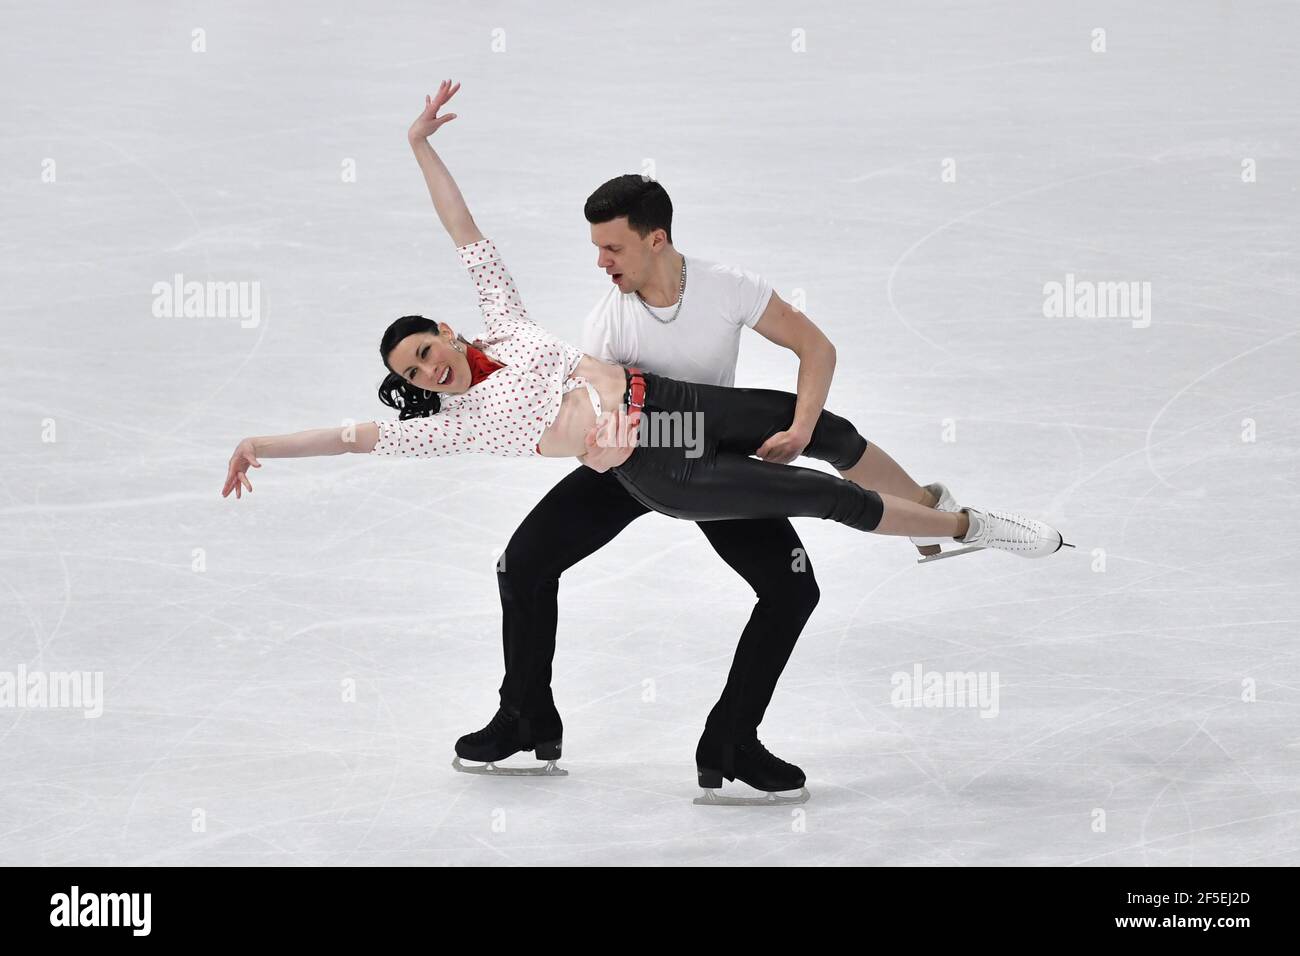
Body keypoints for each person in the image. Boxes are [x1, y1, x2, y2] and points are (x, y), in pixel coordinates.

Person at [221, 81, 1070, 798]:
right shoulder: (452, 425)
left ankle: (900, 556)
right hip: (644, 464)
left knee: (814, 463)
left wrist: (419, 145)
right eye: (412, 376)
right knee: (806, 507)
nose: (426, 374)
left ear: (447, 330)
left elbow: (463, 229)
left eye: (425, 353)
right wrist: (260, 443)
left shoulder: (509, 324)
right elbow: (353, 435)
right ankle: (530, 719)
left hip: (670, 407)